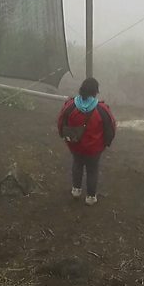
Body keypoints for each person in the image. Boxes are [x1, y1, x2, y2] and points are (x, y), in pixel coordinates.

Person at [57, 77, 116, 206]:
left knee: (77, 164)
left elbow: (61, 122)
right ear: (95, 91)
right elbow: (110, 128)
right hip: (94, 148)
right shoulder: (102, 109)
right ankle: (90, 197)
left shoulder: (71, 105)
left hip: (75, 144)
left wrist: (63, 135)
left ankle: (76, 190)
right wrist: (107, 142)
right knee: (92, 170)